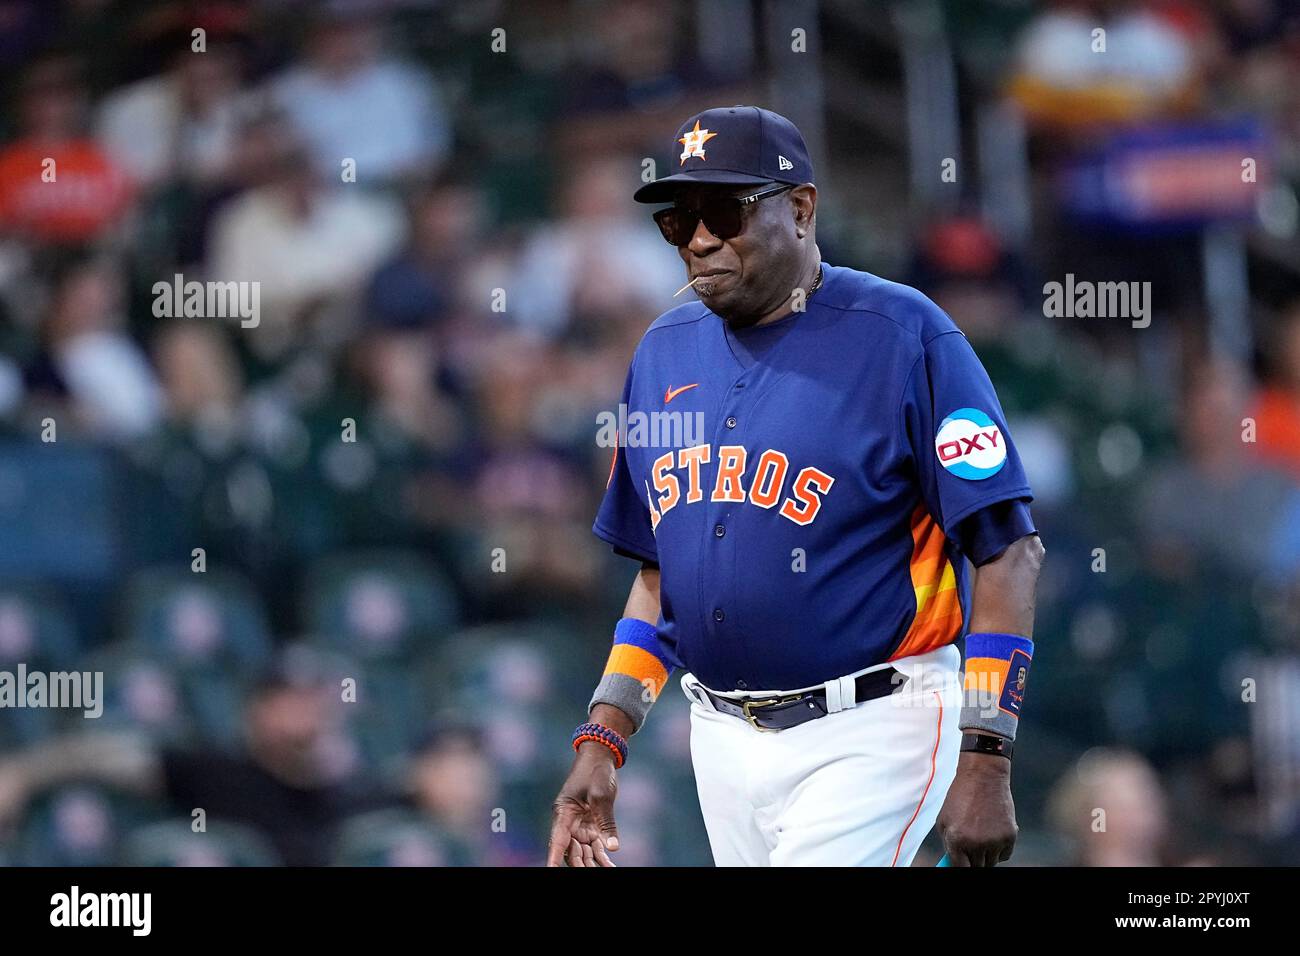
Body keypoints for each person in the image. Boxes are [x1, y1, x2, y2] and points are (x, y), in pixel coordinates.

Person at [547, 106, 1045, 867]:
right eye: (680, 221)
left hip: (877, 722)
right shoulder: (662, 353)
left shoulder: (905, 334)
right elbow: (659, 580)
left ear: (802, 208)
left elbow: (1008, 551)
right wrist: (606, 734)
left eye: (725, 211)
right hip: (719, 741)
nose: (700, 239)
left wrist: (985, 752)